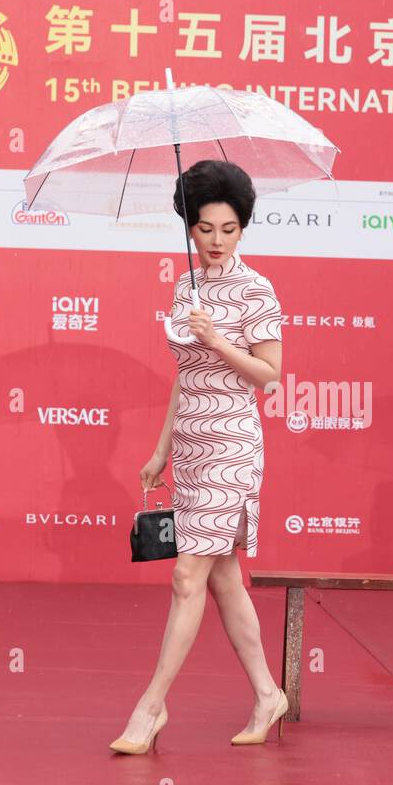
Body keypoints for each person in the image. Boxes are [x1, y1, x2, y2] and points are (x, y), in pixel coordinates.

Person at [110, 160, 288, 754]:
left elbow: (269, 374)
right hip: (189, 443)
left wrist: (217, 340)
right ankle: (268, 692)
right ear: (189, 226)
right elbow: (184, 376)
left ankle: (150, 707)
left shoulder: (256, 289)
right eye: (205, 228)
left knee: (188, 575)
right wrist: (162, 448)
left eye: (229, 229)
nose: (215, 241)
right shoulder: (186, 286)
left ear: (244, 228)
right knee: (224, 581)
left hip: (233, 445)